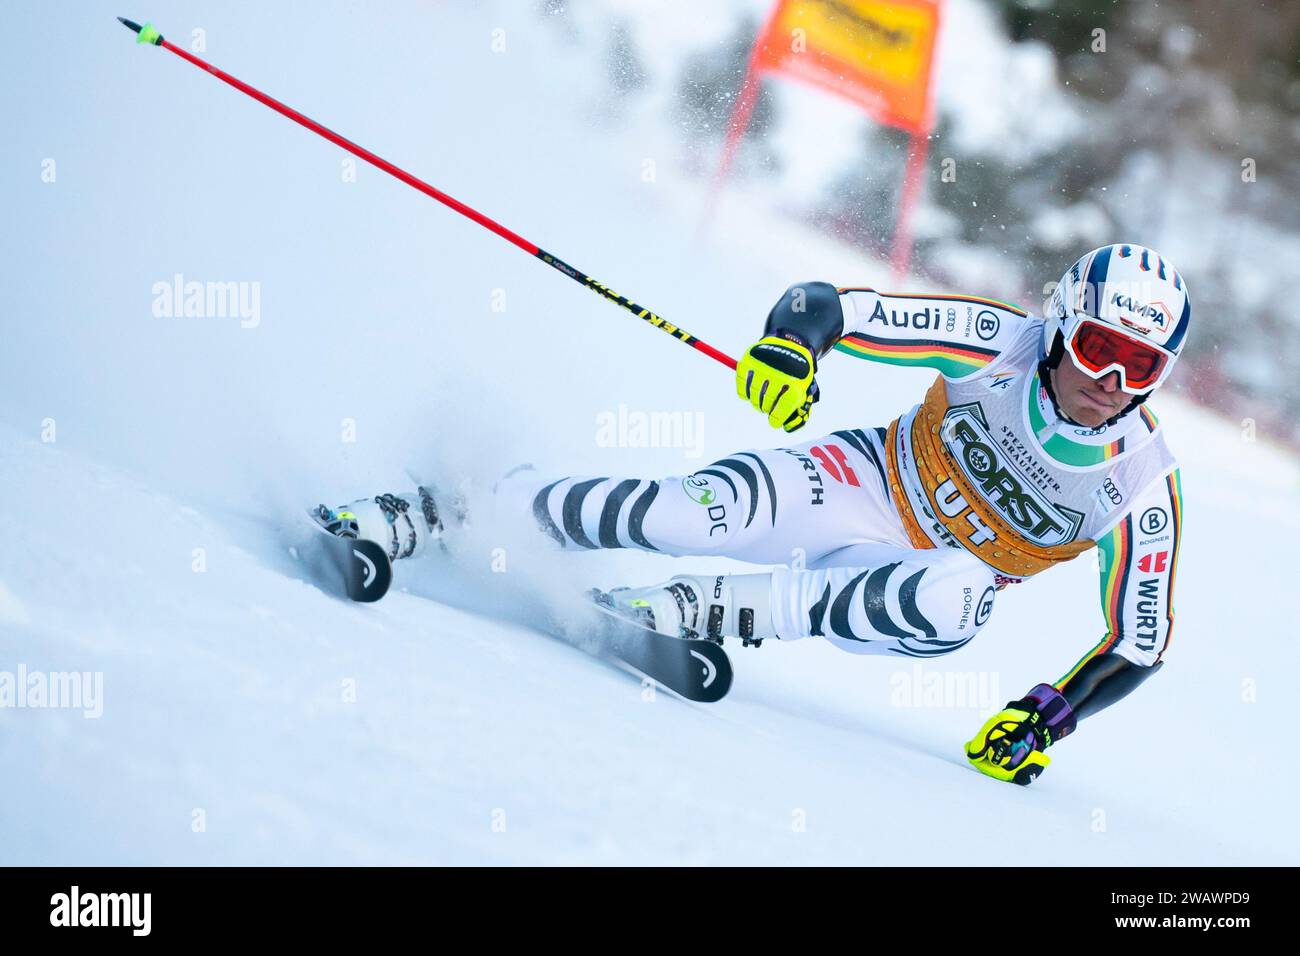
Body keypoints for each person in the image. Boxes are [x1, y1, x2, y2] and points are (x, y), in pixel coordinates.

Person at [326, 243, 1188, 785]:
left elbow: (1140, 641)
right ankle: (447, 509)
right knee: (682, 515)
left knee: (959, 591)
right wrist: (791, 347)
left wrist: (1046, 715)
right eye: (1098, 348)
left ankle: (697, 609)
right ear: (1062, 325)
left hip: (913, 589)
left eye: (1141, 366)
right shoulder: (1001, 341)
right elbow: (830, 305)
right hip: (864, 480)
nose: (1111, 382)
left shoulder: (1141, 482)